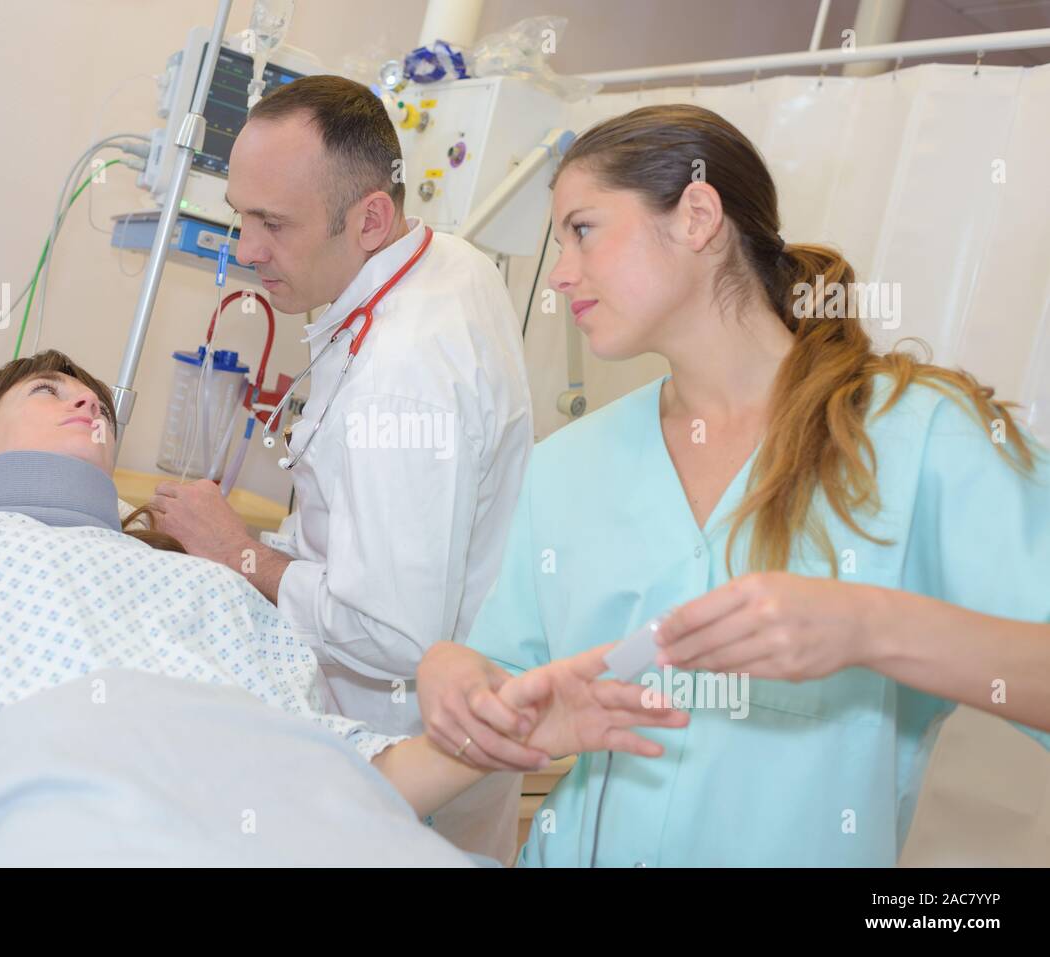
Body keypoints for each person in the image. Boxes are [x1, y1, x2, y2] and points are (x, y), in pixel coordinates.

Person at [416, 104, 1050, 867]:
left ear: (697, 215)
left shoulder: (921, 436)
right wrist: (454, 674)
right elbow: (510, 688)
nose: (559, 273)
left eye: (582, 229)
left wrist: (870, 625)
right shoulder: (569, 464)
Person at [0, 351, 684, 866]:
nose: (86, 403)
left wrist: (489, 729)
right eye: (50, 391)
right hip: (35, 809)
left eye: (96, 399)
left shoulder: (205, 585)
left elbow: (337, 765)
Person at [147, 75, 534, 860]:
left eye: (273, 224)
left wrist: (240, 554)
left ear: (369, 218)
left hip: (392, 754)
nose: (246, 250)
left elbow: (394, 630)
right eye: (240, 216)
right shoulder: (447, 261)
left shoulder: (405, 369)